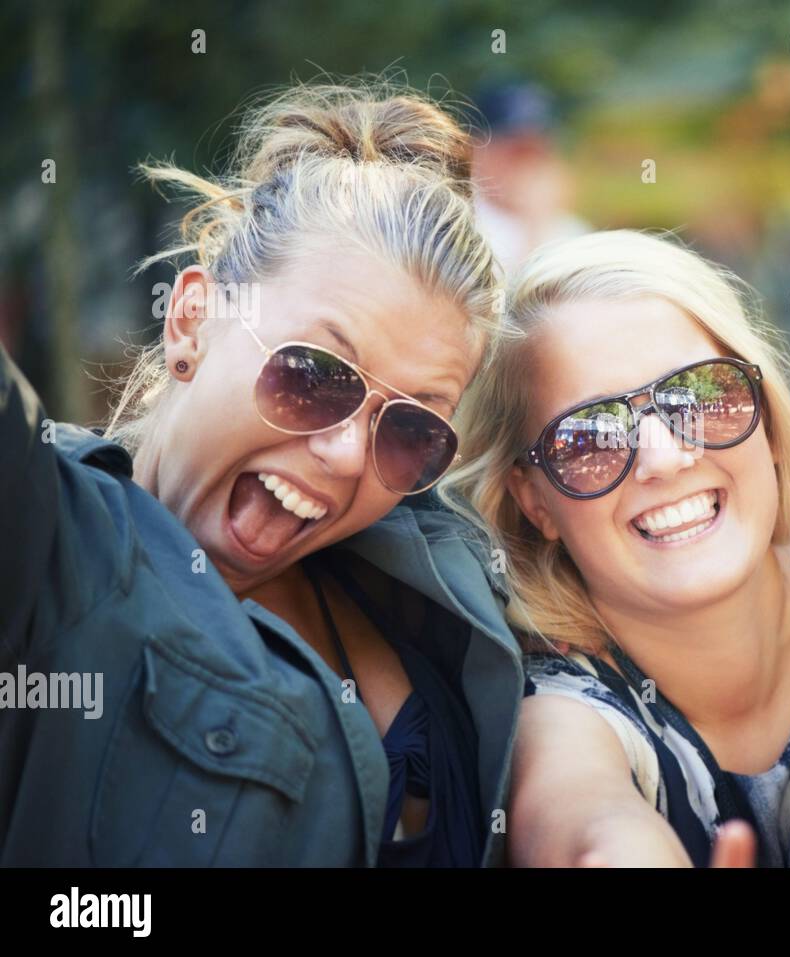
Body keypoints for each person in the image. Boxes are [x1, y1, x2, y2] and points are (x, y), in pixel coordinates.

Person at [0, 80, 522, 866]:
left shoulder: (432, 578)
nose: (348, 456)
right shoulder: (47, 535)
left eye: (411, 426)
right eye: (315, 373)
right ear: (191, 323)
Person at [439, 230, 790, 866]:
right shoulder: (561, 713)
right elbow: (581, 815)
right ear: (535, 502)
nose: (665, 459)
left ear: (769, 415)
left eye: (701, 396)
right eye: (589, 439)